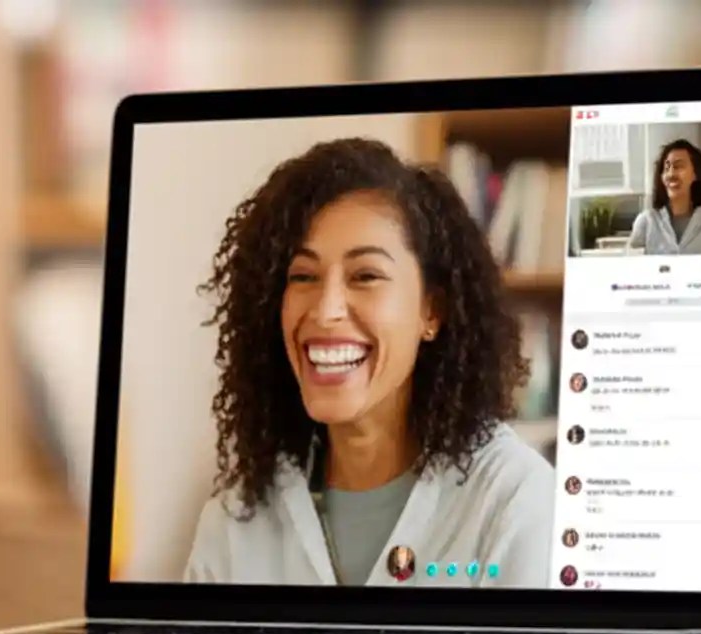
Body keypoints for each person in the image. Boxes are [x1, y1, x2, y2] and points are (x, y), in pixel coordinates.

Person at [184, 138, 553, 589]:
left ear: (431, 311)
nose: (325, 310)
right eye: (303, 276)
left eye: (366, 276)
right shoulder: (235, 517)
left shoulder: (516, 499)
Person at [629, 139, 701, 255]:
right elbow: (633, 269)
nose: (671, 174)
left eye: (678, 166)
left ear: (696, 174)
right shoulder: (646, 221)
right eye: (666, 168)